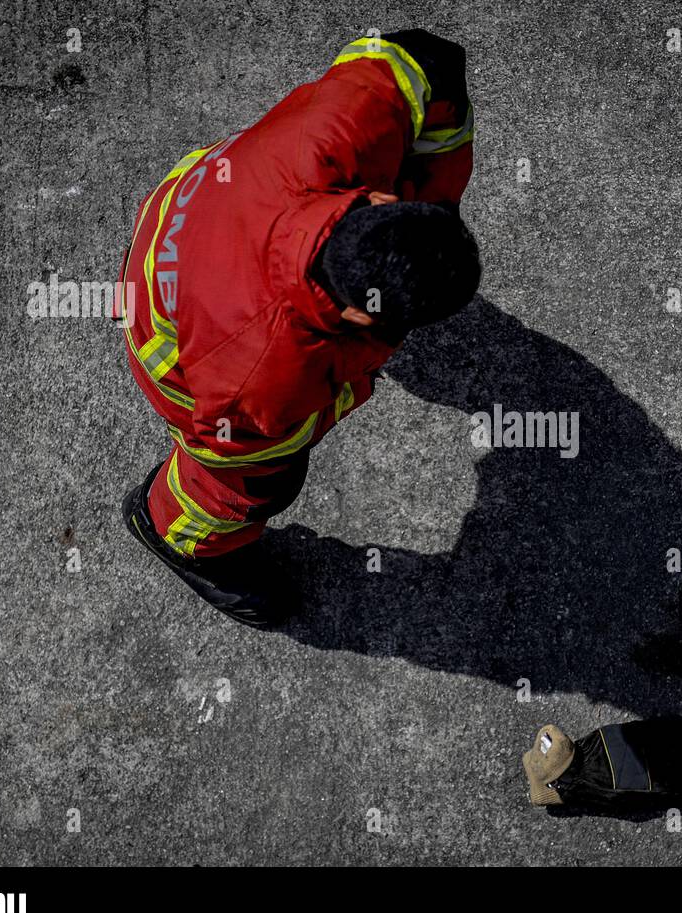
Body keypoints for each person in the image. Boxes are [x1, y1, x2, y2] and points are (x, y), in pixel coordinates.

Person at [117, 29, 480, 628]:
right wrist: (352, 381)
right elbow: (251, 447)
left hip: (184, 214)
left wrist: (433, 217)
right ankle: (174, 533)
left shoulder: (346, 123)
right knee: (262, 484)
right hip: (166, 337)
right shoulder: (264, 383)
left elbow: (429, 57)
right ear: (360, 316)